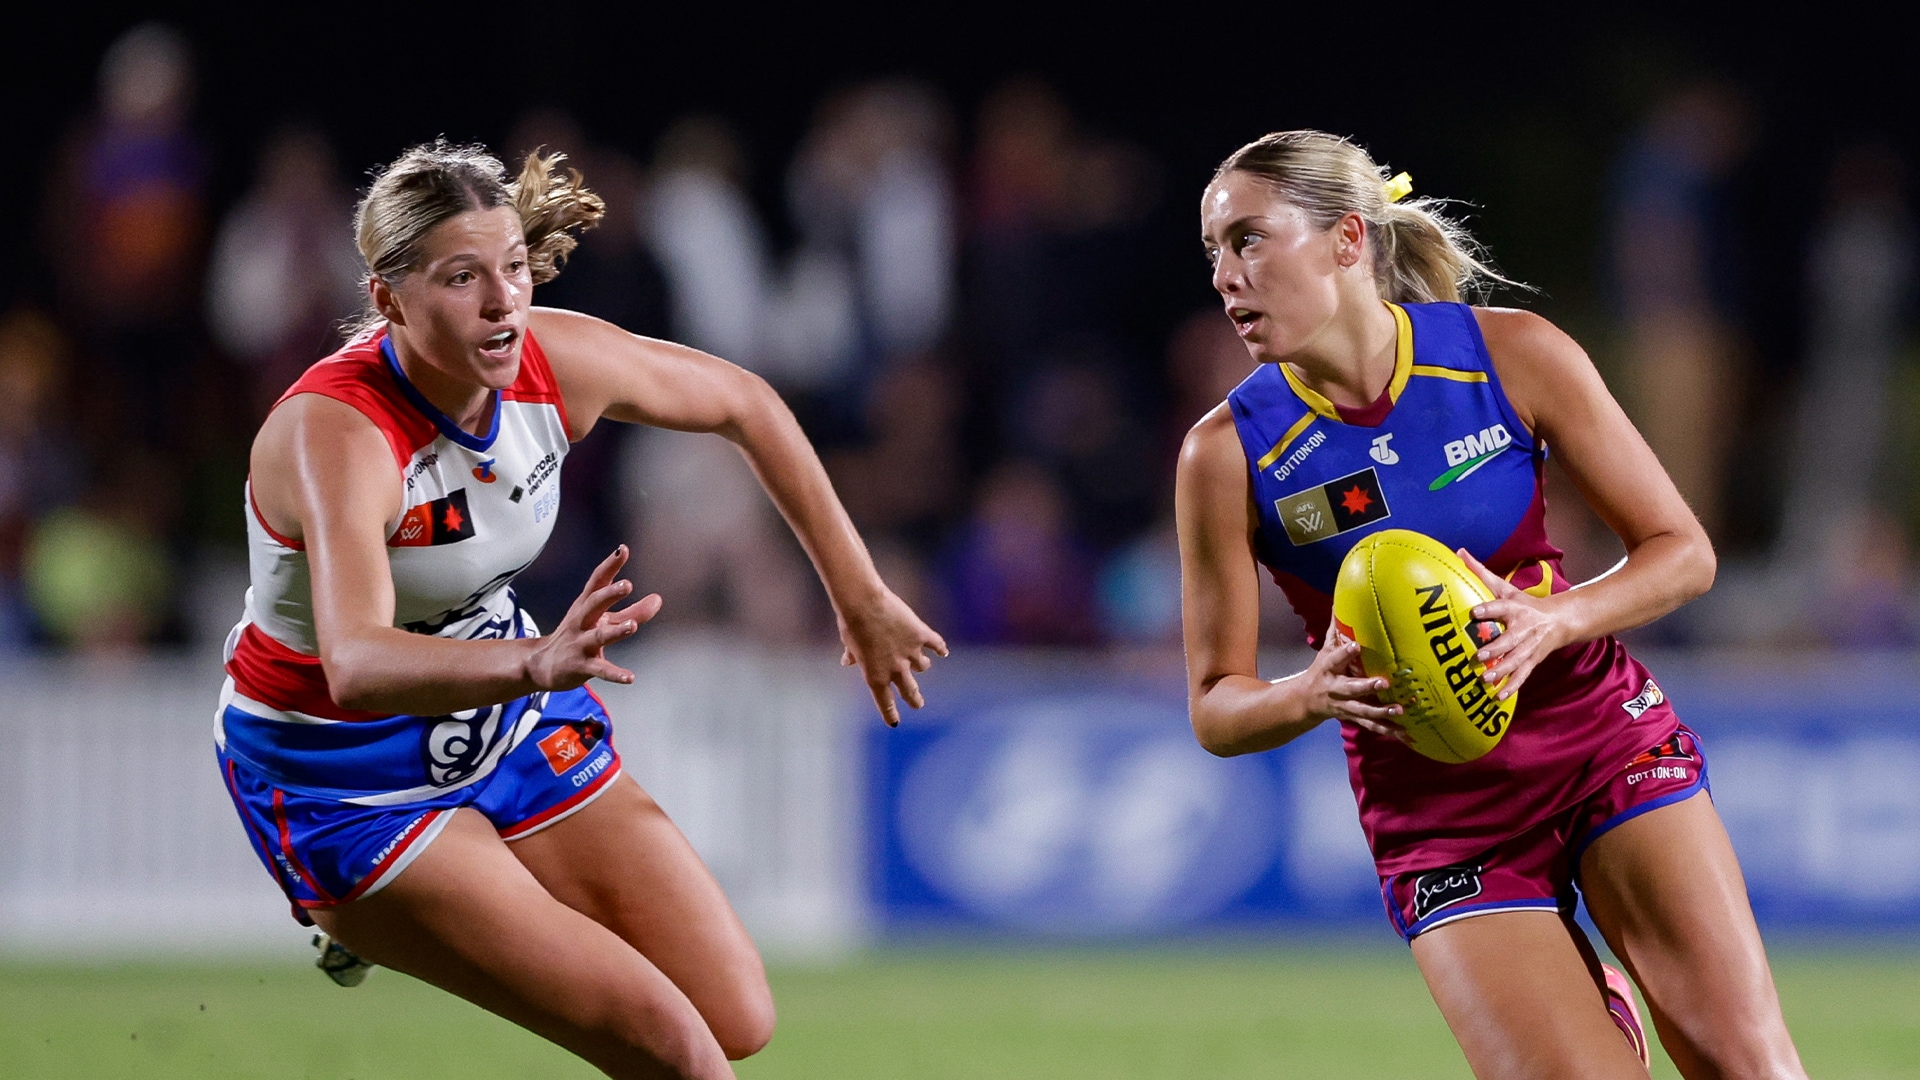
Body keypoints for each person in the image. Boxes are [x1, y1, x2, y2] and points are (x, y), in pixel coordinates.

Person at [213, 140, 946, 1080]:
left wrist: (861, 594)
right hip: (341, 774)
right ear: (387, 299)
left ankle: (384, 922)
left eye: (514, 267)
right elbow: (356, 662)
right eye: (462, 278)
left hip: (507, 712)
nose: (503, 302)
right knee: (673, 1048)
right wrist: (533, 663)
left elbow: (746, 404)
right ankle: (360, 911)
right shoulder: (338, 432)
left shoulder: (553, 362)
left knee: (735, 1017)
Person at [1177, 130, 1806, 1079]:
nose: (1227, 276)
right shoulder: (1226, 454)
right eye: (1215, 252)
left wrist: (1559, 618)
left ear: (1347, 238)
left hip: (1600, 740)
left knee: (1749, 1065)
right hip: (1440, 815)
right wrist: (1308, 693)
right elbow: (1215, 706)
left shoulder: (1508, 354)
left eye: (1250, 239)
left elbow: (1683, 553)